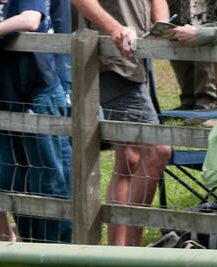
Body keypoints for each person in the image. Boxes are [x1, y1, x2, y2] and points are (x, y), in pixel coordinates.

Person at [0, 0, 73, 242]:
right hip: (4, 92)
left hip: (37, 89)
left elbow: (30, 20)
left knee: (47, 180)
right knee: (12, 179)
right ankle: (29, 246)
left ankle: (59, 251)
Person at [71, 0, 173, 245]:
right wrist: (113, 28)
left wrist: (161, 26)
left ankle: (118, 251)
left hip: (136, 57)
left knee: (129, 158)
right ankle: (131, 250)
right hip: (113, 60)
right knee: (157, 152)